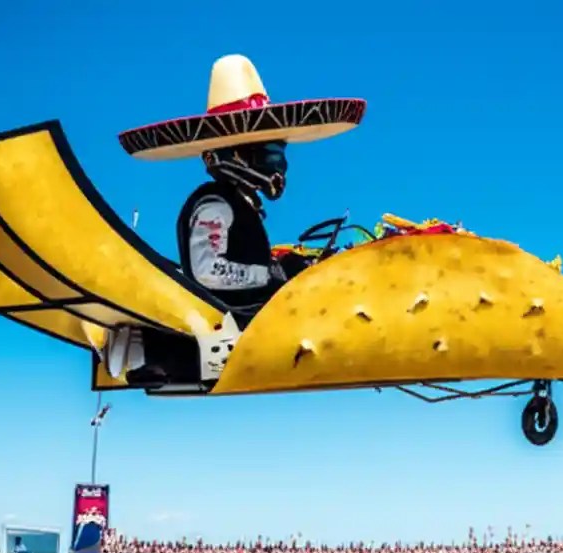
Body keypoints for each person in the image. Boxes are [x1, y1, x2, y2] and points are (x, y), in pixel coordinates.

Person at [103, 54, 366, 385]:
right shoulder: (216, 204)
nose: (278, 166)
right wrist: (272, 275)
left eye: (279, 155)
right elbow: (208, 270)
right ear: (237, 155)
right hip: (231, 322)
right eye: (269, 154)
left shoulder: (239, 204)